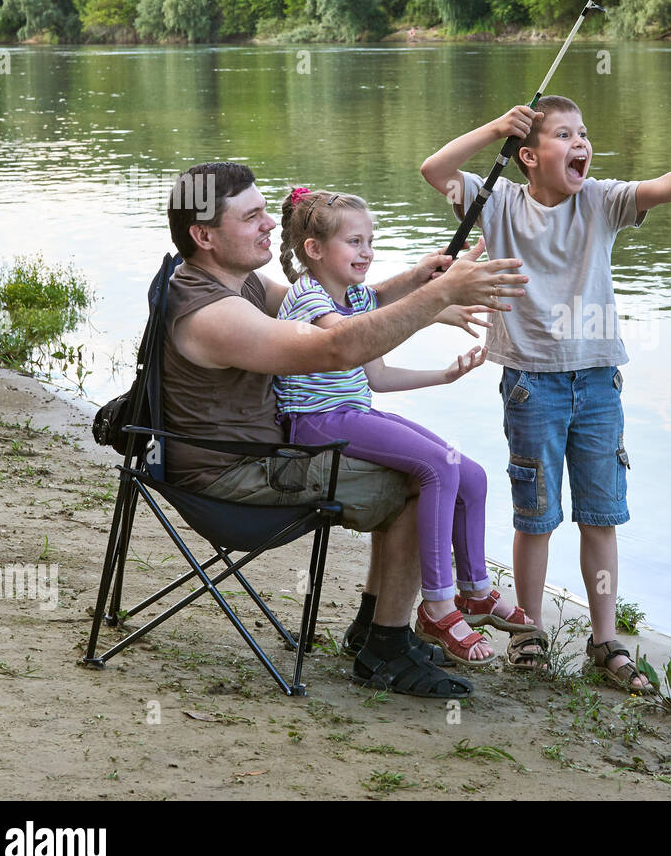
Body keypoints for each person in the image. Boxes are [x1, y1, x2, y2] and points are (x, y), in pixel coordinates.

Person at [421, 98, 671, 691]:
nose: (580, 143)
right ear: (527, 156)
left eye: (583, 134)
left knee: (601, 515)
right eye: (563, 134)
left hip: (597, 382)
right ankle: (530, 632)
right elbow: (434, 170)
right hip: (529, 385)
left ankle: (606, 640)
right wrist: (493, 126)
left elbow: (665, 186)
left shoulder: (600, 201)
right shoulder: (498, 203)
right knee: (536, 516)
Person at [162, 161, 528, 698]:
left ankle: (375, 628)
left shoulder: (234, 284)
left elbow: (335, 306)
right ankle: (388, 643)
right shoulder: (212, 315)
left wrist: (416, 282)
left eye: (266, 211)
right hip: (229, 477)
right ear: (205, 235)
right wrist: (439, 296)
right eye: (252, 217)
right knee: (410, 479)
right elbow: (337, 348)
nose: (270, 224)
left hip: (245, 455)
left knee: (418, 466)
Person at [272, 186, 535, 666]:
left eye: (370, 240)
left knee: (469, 472)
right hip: (315, 423)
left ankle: (474, 590)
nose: (367, 252)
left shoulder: (351, 296)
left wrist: (445, 373)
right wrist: (433, 301)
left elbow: (377, 375)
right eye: (354, 242)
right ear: (314, 249)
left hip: (354, 415)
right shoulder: (308, 298)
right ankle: (437, 604)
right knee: (436, 467)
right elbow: (353, 338)